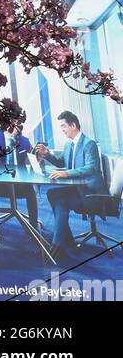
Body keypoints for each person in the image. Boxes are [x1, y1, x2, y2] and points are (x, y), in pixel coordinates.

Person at [36, 110, 108, 260]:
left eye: (63, 126)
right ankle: (66, 242)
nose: (62, 130)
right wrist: (47, 154)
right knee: (52, 194)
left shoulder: (89, 144)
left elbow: (91, 168)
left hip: (91, 193)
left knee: (61, 202)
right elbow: (62, 162)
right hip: (78, 190)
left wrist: (66, 174)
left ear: (73, 125)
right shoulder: (69, 144)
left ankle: (57, 246)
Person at [0, 121, 38, 239]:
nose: (17, 128)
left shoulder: (24, 140)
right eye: (13, 124)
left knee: (31, 193)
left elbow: (34, 161)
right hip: (1, 180)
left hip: (20, 182)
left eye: (18, 125)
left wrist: (39, 158)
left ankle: (33, 229)